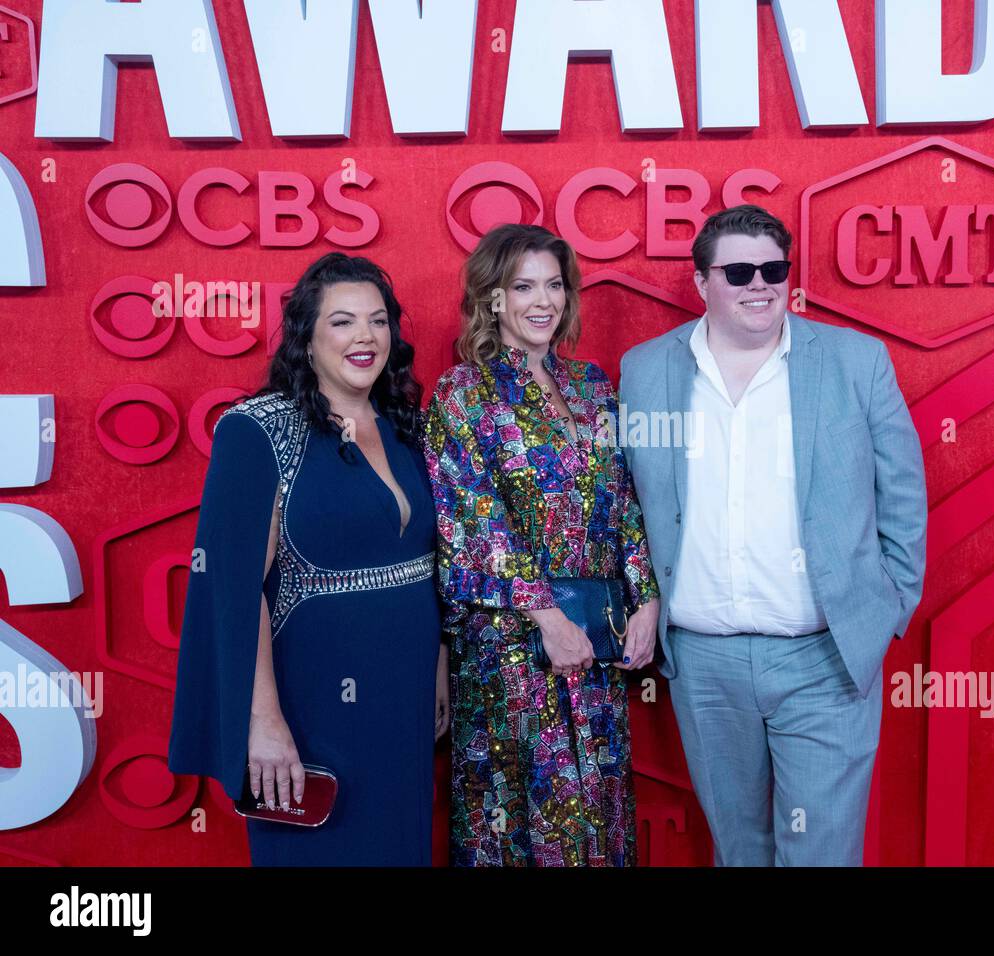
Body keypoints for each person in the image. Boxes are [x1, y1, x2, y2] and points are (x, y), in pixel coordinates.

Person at [618, 204, 927, 866]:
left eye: (774, 269)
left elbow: (902, 491)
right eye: (739, 271)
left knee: (819, 853)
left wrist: (887, 605)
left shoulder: (854, 360)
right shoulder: (646, 372)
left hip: (824, 658)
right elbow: (626, 500)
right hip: (703, 663)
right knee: (740, 851)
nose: (760, 284)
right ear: (702, 283)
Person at [167, 252, 446, 866]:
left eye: (378, 321)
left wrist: (439, 665)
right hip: (312, 697)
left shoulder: (404, 423)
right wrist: (259, 721)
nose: (365, 337)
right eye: (343, 321)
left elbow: (428, 566)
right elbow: (232, 593)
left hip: (404, 691)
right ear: (307, 335)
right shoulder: (258, 429)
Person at [425, 223, 659, 866]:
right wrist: (547, 618)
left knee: (598, 809)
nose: (543, 300)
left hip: (597, 639)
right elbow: (472, 520)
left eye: (555, 284)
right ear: (491, 297)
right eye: (522, 285)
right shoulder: (462, 392)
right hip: (513, 649)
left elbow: (624, 500)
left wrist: (645, 600)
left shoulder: (591, 386)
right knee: (526, 819)